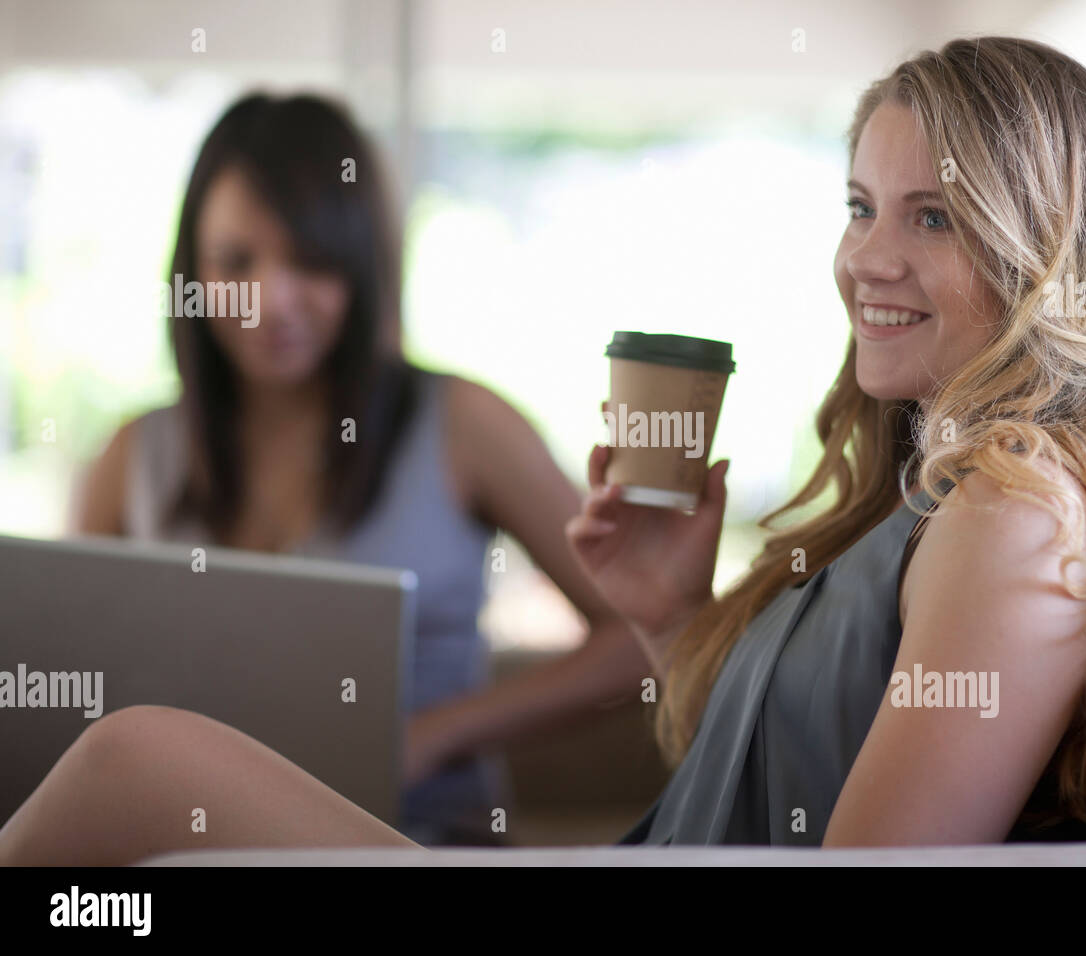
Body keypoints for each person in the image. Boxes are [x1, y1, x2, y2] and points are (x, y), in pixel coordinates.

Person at [0, 36, 1086, 864]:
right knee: (133, 775)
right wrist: (670, 615)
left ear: (1043, 241)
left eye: (934, 217)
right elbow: (763, 797)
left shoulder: (1016, 516)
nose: (867, 258)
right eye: (859, 207)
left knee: (136, 756)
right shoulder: (945, 497)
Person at [61, 93, 649, 846]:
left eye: (312, 262)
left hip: (411, 838)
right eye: (237, 261)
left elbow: (642, 636)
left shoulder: (463, 425)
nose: (273, 301)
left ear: (362, 267)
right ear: (192, 270)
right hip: (191, 852)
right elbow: (69, 682)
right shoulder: (132, 455)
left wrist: (434, 734)